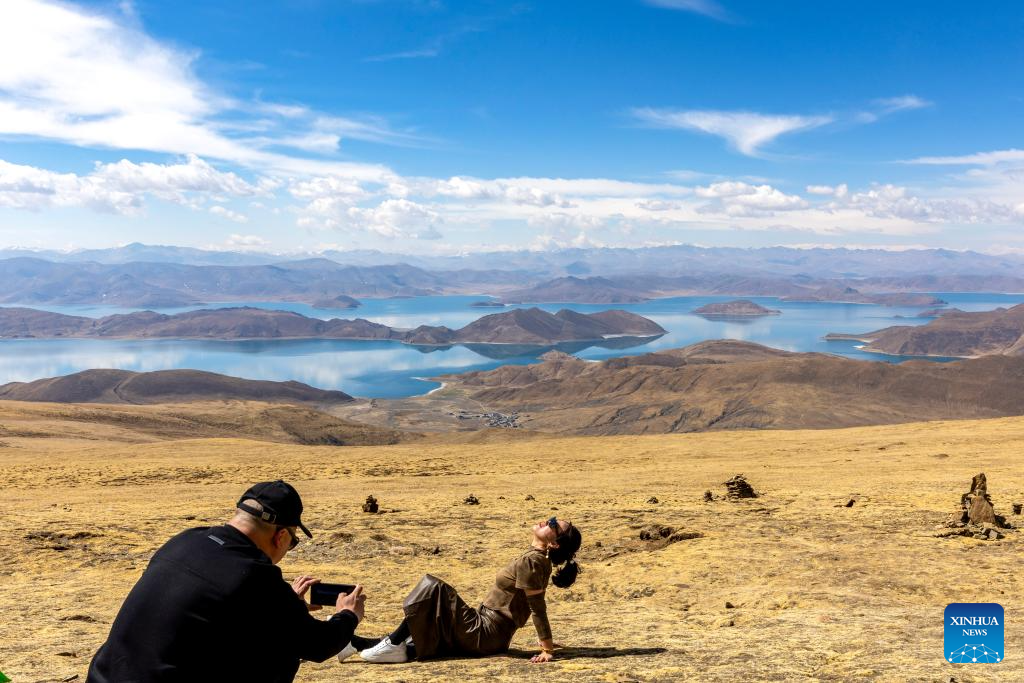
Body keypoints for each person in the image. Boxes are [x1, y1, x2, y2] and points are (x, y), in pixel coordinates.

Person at [87, 480, 367, 683]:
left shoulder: (185, 539)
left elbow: (209, 610)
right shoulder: (255, 574)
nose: (287, 549)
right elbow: (316, 645)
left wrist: (285, 607)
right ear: (280, 536)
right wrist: (347, 615)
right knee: (278, 652)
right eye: (292, 542)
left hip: (104, 675)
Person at [342, 515, 582, 665]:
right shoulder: (536, 558)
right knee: (424, 633)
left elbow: (537, 607)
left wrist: (547, 647)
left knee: (433, 588)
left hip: (486, 633)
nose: (546, 520)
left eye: (553, 524)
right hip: (485, 629)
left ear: (554, 543)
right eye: (551, 517)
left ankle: (392, 643)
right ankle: (355, 644)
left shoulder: (534, 561)